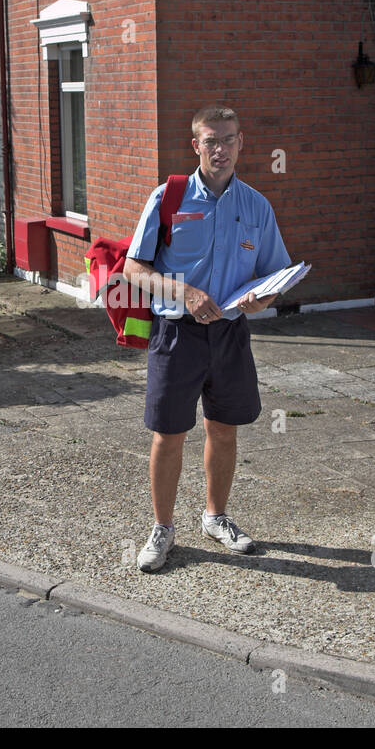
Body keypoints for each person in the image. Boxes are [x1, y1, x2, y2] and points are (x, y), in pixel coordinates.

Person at [122, 105, 291, 572]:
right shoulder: (168, 197)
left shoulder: (256, 205)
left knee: (224, 428)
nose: (221, 149)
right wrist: (186, 292)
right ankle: (162, 529)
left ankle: (216, 517)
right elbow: (134, 269)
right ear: (196, 145)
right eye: (211, 140)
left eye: (229, 139)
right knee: (168, 433)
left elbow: (276, 274)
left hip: (231, 333)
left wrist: (264, 298)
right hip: (176, 335)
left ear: (241, 143)